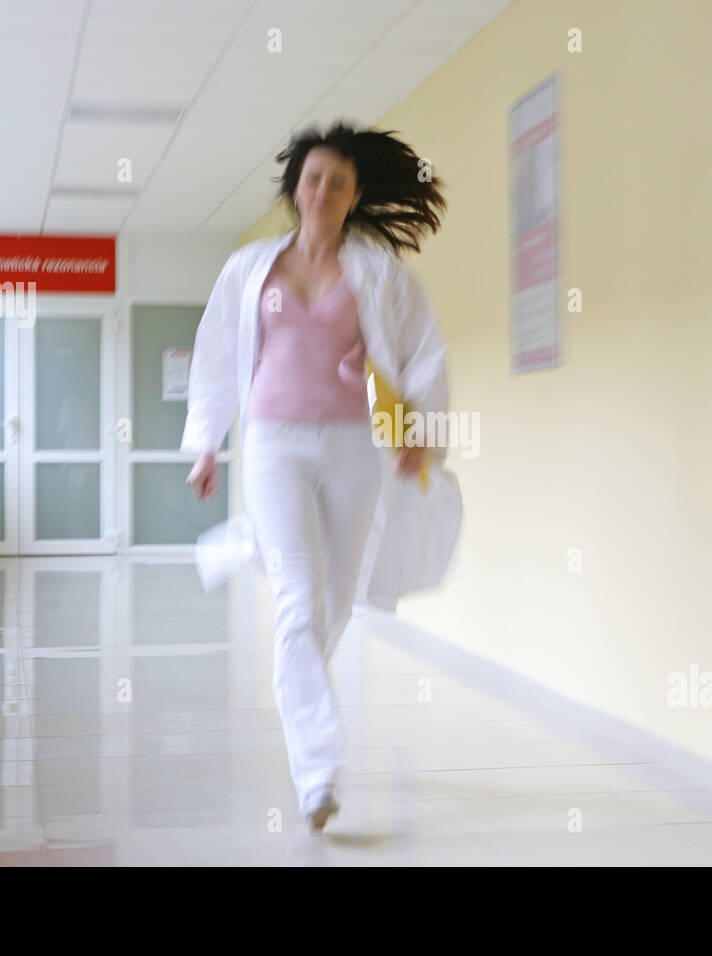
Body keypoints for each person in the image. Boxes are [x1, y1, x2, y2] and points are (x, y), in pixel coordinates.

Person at [181, 121, 450, 832]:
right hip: (274, 445)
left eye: (338, 182)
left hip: (357, 447)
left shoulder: (380, 274)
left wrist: (420, 429)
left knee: (332, 608)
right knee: (300, 602)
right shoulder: (249, 270)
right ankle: (318, 770)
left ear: (355, 194)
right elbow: (215, 354)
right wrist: (206, 442)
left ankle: (310, 735)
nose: (324, 191)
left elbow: (423, 352)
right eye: (313, 179)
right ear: (294, 189)